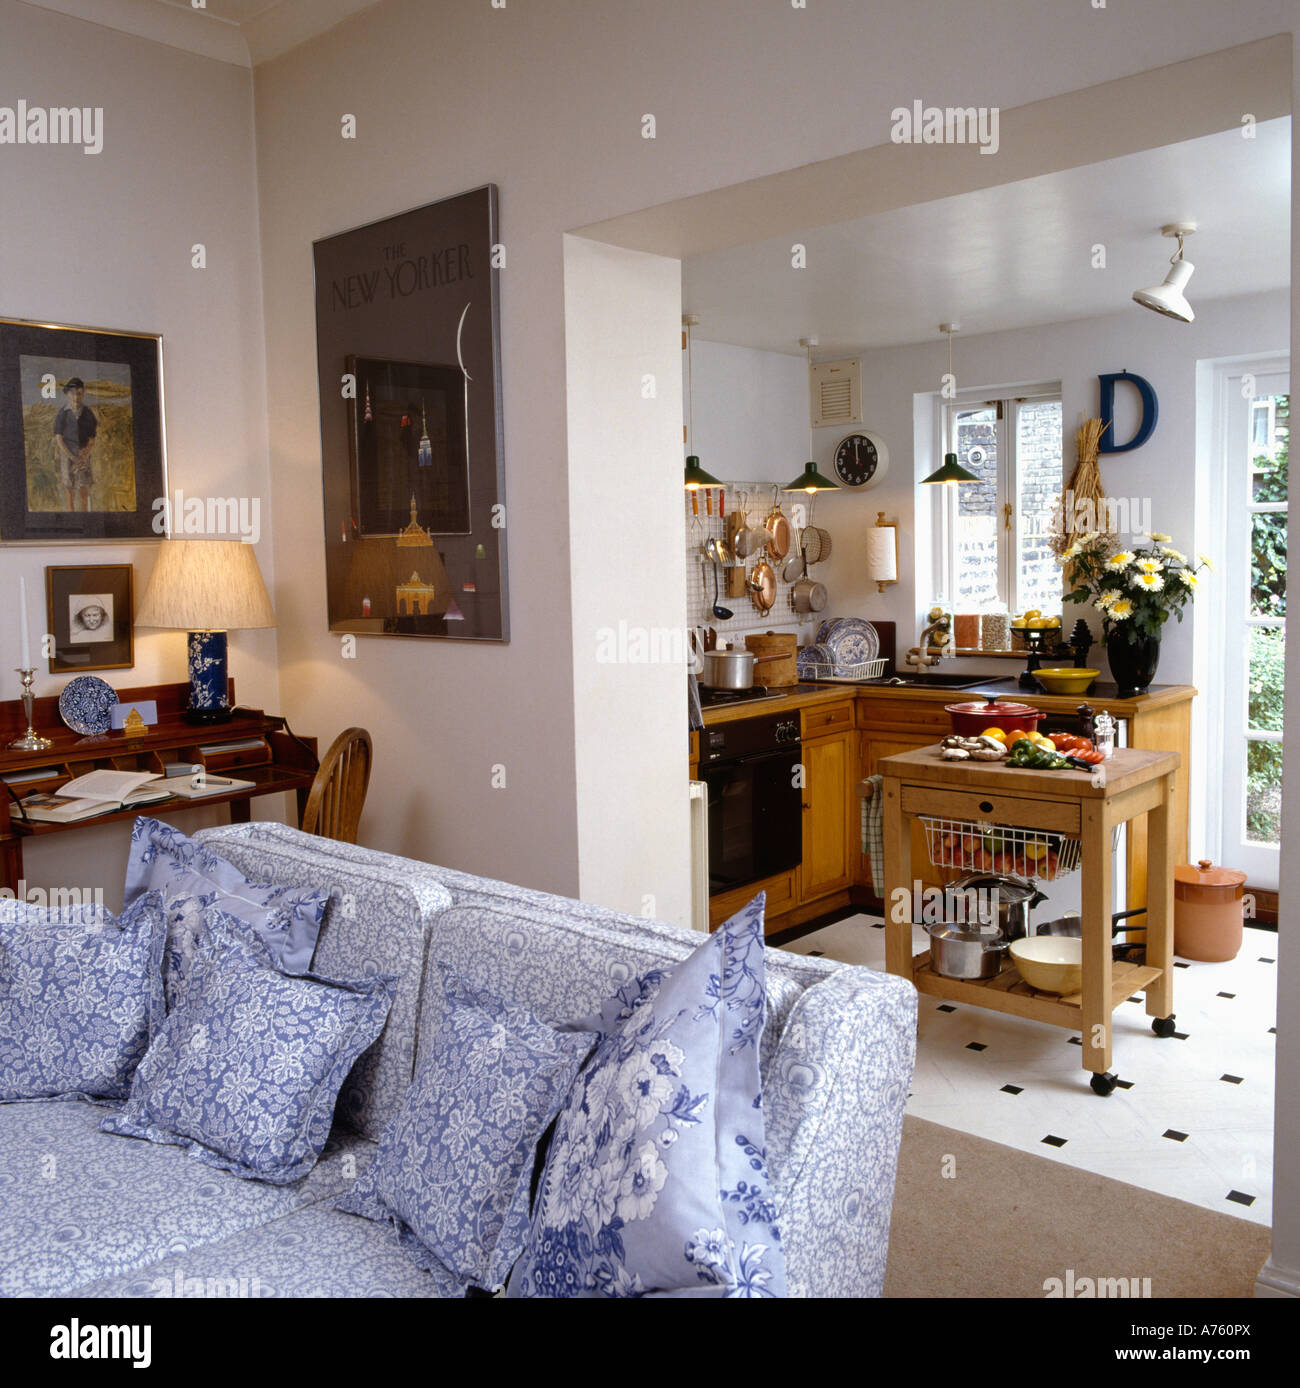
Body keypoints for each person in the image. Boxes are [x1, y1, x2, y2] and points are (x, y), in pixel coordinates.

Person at [52, 376, 97, 511]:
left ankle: (86, 519)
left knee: (83, 488)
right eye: (73, 393)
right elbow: (59, 439)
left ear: (83, 393)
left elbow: (92, 440)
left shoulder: (88, 414)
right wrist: (72, 458)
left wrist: (82, 457)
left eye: (79, 393)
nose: (76, 397)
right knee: (69, 489)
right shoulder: (63, 414)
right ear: (67, 394)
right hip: (67, 454)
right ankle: (72, 519)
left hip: (83, 453)